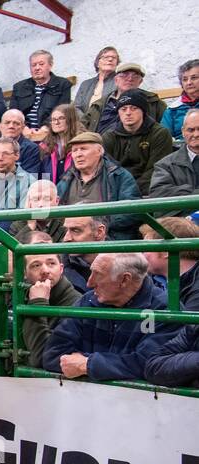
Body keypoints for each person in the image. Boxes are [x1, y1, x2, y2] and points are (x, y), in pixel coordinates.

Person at [43, 252, 174, 381]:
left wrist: (87, 364)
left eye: (98, 275)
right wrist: (108, 366)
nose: (89, 283)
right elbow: (53, 355)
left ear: (124, 280)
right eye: (91, 272)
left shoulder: (163, 309)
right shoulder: (88, 301)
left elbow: (151, 365)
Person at [56, 131, 141, 240]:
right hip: (70, 239)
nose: (78, 154)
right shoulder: (66, 178)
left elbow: (133, 211)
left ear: (99, 151)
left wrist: (98, 225)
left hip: (108, 240)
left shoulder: (118, 176)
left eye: (83, 149)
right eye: (74, 150)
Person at [19, 238, 83, 368]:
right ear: (24, 273)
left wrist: (38, 303)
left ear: (61, 269)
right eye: (36, 265)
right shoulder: (19, 295)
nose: (45, 271)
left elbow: (40, 357)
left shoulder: (76, 303)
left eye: (51, 263)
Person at [101, 90, 175, 195]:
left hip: (151, 190)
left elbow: (156, 169)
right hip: (117, 190)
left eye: (134, 108)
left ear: (143, 111)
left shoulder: (159, 133)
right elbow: (108, 169)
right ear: (118, 112)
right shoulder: (109, 137)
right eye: (123, 109)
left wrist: (131, 191)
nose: (128, 113)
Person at [84, 62, 166, 134]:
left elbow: (165, 128)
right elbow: (82, 126)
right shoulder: (99, 104)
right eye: (124, 75)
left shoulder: (153, 101)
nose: (130, 79)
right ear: (116, 80)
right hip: (99, 146)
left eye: (135, 76)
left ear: (140, 82)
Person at [9, 50, 72, 135]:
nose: (37, 68)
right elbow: (13, 112)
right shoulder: (19, 87)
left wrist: (46, 127)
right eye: (33, 65)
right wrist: (23, 128)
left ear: (50, 65)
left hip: (51, 132)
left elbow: (63, 111)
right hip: (22, 132)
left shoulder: (62, 84)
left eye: (41, 64)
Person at [149, 109, 199, 205]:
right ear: (183, 132)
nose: (196, 134)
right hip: (181, 217)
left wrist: (181, 192)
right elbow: (158, 193)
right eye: (191, 130)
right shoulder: (164, 165)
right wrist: (195, 192)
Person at [0, 109, 44, 176]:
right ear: (0, 126)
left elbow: (30, 178)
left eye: (16, 123)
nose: (11, 126)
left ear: (23, 127)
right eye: (7, 123)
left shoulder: (32, 149)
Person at [38, 103, 84, 182]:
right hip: (52, 190)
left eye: (61, 118)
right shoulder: (46, 145)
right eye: (53, 119)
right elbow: (43, 174)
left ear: (71, 120)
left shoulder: (82, 142)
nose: (56, 122)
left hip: (75, 191)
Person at [74, 46, 119, 116]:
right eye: (106, 57)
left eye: (114, 58)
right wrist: (85, 122)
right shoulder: (85, 84)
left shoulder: (120, 82)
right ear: (97, 63)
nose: (110, 59)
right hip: (84, 124)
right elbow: (76, 107)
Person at [160, 60, 199, 140]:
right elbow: (165, 138)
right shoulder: (172, 110)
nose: (189, 83)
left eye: (194, 78)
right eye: (184, 79)